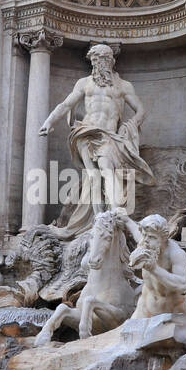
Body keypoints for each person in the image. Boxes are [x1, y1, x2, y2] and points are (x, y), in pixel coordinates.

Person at [39, 43, 154, 236]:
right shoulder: (84, 83)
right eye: (94, 61)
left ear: (110, 61)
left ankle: (116, 215)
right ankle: (99, 221)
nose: (97, 64)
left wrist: (129, 126)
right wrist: (49, 122)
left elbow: (141, 111)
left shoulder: (124, 86)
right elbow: (66, 104)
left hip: (108, 135)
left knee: (107, 170)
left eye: (101, 60)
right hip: (85, 131)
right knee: (93, 176)